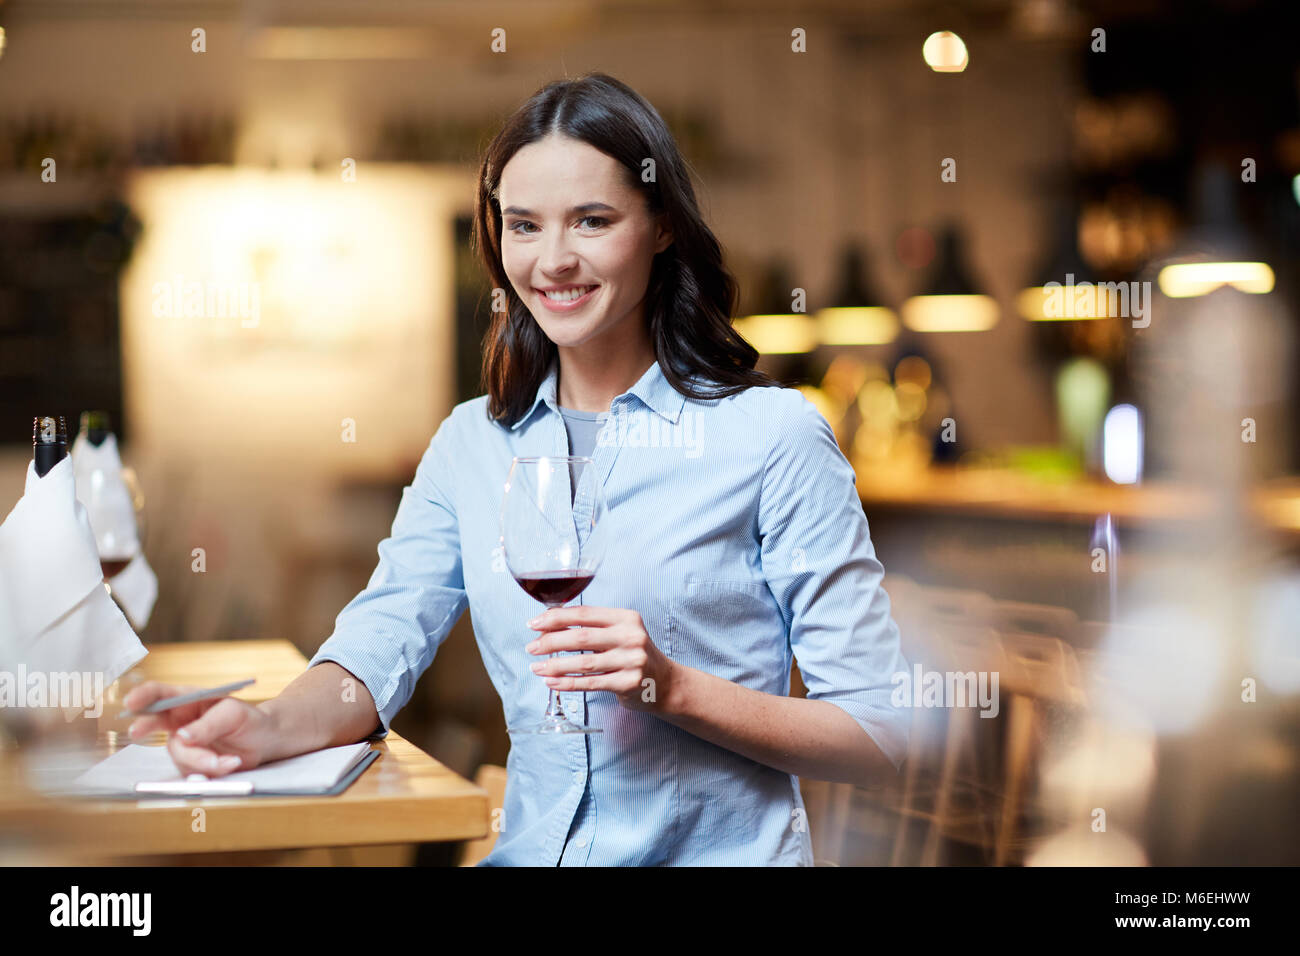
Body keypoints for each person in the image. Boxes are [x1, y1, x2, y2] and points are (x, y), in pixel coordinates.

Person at [125, 72, 910, 866]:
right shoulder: (471, 444)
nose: (553, 261)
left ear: (662, 224)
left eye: (593, 221)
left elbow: (878, 734)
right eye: (525, 226)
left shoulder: (772, 438)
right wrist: (262, 728)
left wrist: (670, 689)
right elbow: (380, 640)